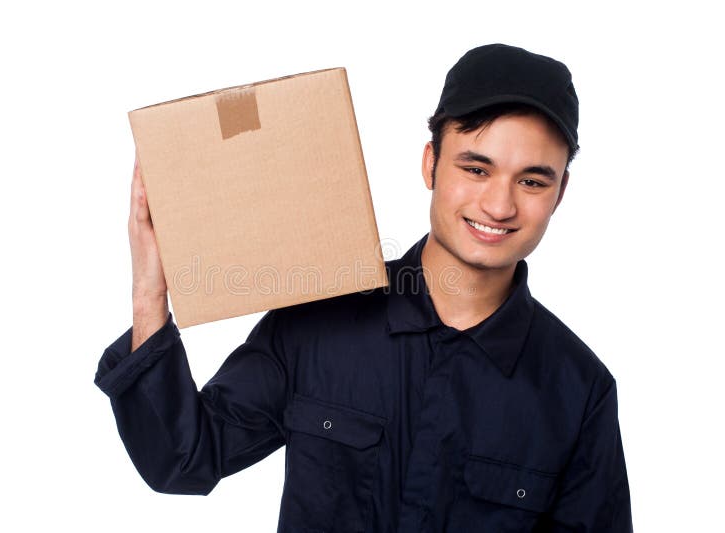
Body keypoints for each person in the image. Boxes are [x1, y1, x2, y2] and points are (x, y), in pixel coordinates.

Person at [94, 43, 633, 532]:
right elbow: (182, 459)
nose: (499, 205)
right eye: (476, 168)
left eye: (533, 181)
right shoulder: (319, 321)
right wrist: (149, 296)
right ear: (431, 164)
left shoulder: (578, 392)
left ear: (560, 194)